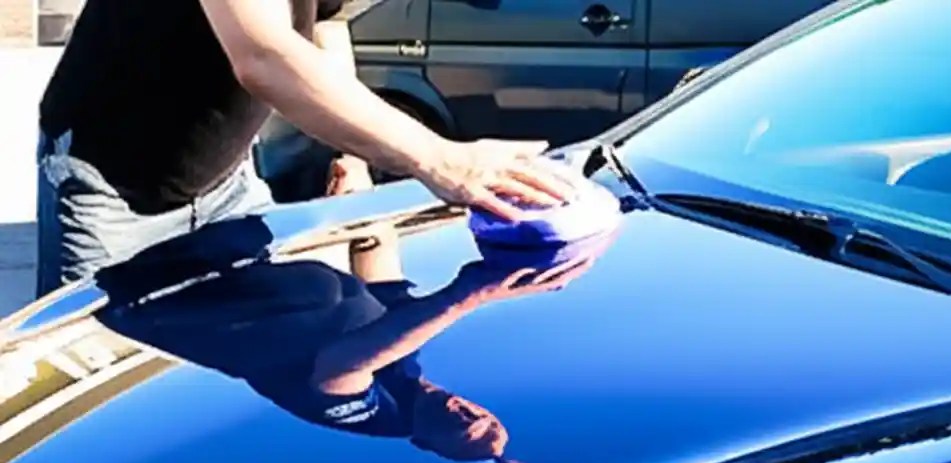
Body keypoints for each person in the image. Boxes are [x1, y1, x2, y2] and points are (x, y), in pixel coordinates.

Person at [36, 0, 577, 295]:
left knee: (217, 386)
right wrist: (441, 158)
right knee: (103, 407)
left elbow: (323, 26)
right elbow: (262, 56)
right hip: (111, 187)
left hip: (226, 181)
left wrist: (354, 159)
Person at [93, 215, 605, 463]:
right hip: (227, 235)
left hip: (136, 266)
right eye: (480, 416)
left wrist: (466, 297)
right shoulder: (408, 369)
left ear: (423, 444)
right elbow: (380, 276)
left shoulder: (374, 417)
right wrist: (361, 191)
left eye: (456, 427)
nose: (460, 410)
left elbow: (340, 366)